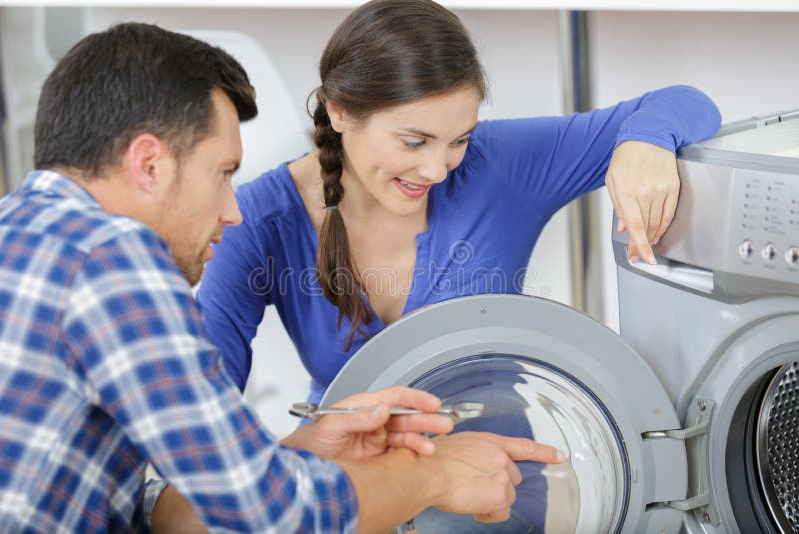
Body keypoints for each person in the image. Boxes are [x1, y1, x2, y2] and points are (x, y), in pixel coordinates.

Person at [0, 22, 566, 533]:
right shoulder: (113, 261)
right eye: (222, 174)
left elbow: (126, 506)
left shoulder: (19, 233)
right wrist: (431, 477)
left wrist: (298, 450)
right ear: (149, 164)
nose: (233, 210)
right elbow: (269, 517)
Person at [196, 0, 722, 531]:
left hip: (491, 500)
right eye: (414, 141)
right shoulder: (256, 220)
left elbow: (685, 102)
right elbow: (200, 418)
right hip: (349, 500)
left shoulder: (499, 167)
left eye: (458, 140)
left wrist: (643, 142)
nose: (436, 169)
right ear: (339, 112)